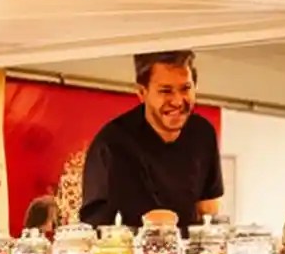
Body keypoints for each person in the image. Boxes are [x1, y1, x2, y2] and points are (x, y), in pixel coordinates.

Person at [79, 50, 224, 230]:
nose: (178, 101)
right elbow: (95, 225)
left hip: (188, 246)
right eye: (165, 91)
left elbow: (208, 208)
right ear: (142, 92)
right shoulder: (111, 145)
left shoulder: (203, 133)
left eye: (185, 88)